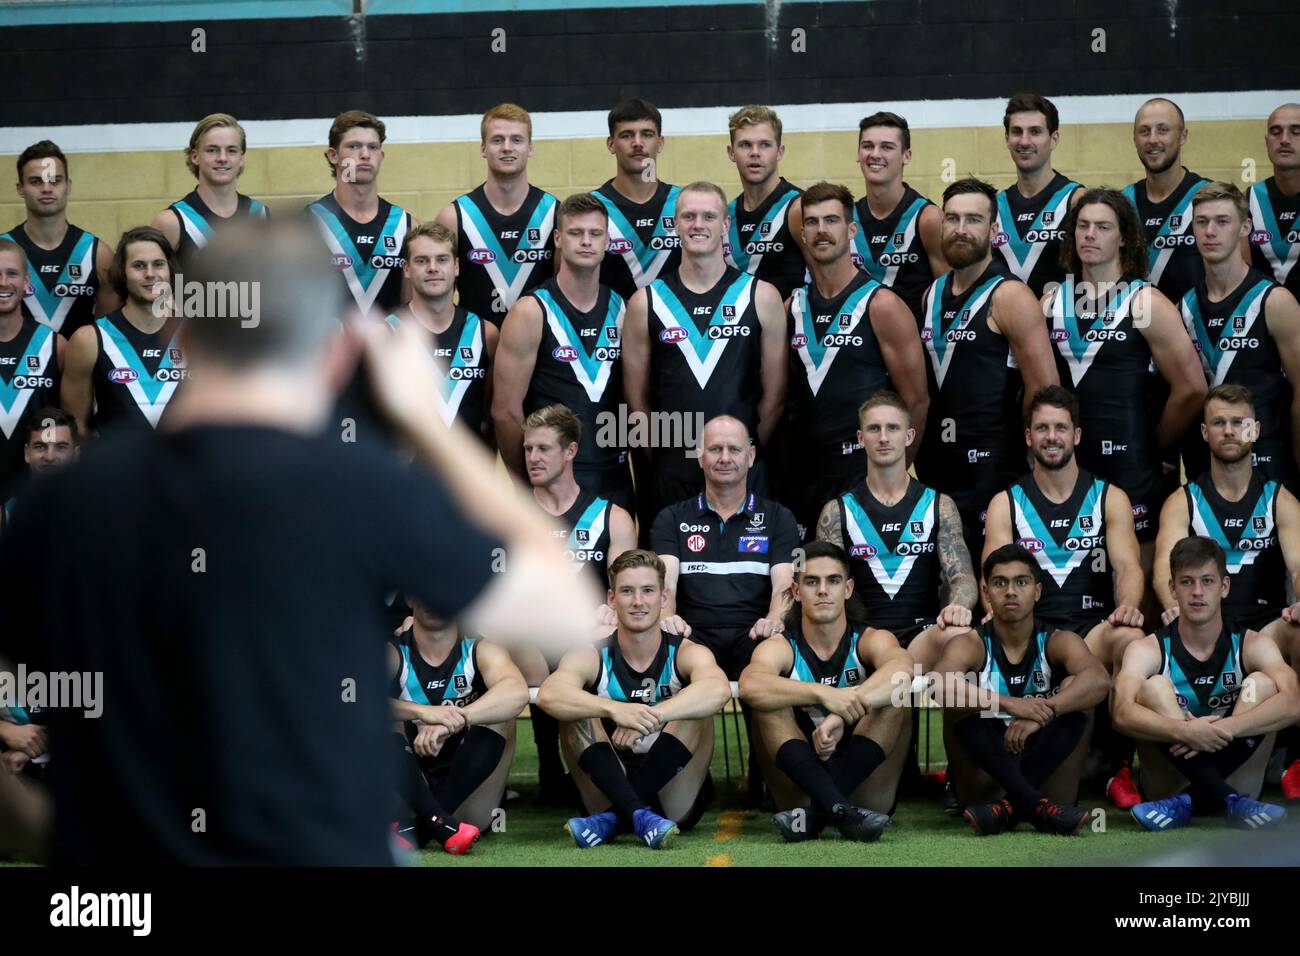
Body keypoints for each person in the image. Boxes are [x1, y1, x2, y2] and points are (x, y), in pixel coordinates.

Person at [0, 218, 601, 865]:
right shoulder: (359, 484)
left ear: (183, 339)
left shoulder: (59, 500)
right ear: (336, 354)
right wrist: (428, 426)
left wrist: (71, 841)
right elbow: (565, 611)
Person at [983, 386, 1148, 807]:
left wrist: (1127, 606)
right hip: (1030, 635)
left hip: (1090, 628)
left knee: (1129, 640)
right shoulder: (1007, 503)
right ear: (1028, 437)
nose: (1051, 436)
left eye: (1060, 427)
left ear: (1076, 435)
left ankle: (1115, 766)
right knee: (973, 649)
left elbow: (1129, 566)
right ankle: (979, 769)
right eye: (1042, 428)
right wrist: (993, 614)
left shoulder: (1109, 497)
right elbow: (992, 574)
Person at [1046, 188, 1208, 556]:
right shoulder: (1051, 301)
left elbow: (1193, 388)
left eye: (1103, 227)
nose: (1090, 234)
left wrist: (1154, 443)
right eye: (1083, 226)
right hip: (1071, 463)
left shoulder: (1145, 302)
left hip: (1132, 465)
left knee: (1139, 578)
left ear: (1124, 238)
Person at [537, 549, 731, 849]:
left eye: (648, 591)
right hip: (608, 780)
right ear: (612, 599)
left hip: (673, 792)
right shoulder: (591, 653)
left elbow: (718, 691)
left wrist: (650, 718)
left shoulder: (686, 650)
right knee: (574, 710)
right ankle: (635, 814)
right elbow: (550, 695)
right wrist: (615, 710)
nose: (638, 601)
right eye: (627, 591)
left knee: (695, 706)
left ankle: (615, 819)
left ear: (664, 598)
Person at [622, 182, 788, 523]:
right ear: (675, 224)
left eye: (709, 216)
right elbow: (636, 401)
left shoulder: (761, 296)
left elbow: (775, 396)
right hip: (671, 473)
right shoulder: (645, 302)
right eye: (689, 216)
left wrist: (742, 452)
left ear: (725, 225)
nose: (698, 224)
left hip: (742, 473)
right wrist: (668, 455)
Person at [915, 178, 1059, 562]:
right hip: (937, 466)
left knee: (991, 584)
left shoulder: (1009, 295)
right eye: (953, 219)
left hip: (992, 470)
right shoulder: (931, 293)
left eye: (974, 220)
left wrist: (1032, 458)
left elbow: (1045, 388)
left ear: (995, 230)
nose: (961, 229)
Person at [1115, 536, 1297, 831]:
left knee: (1262, 684)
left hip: (1238, 777)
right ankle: (1228, 801)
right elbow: (1120, 712)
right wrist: (1184, 731)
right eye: (1186, 582)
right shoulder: (1147, 649)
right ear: (1172, 589)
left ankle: (1199, 800)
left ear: (1224, 587)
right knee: (1154, 687)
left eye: (1207, 581)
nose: (1197, 592)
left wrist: (1225, 728)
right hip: (1167, 785)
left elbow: (1295, 701)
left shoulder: (1253, 643)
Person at [740, 540, 913, 842]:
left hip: (864, 793)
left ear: (847, 589)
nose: (822, 590)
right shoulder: (781, 646)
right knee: (767, 700)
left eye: (832, 581)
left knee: (896, 696)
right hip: (797, 790)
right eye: (811, 582)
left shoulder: (870, 639)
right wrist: (823, 694)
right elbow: (750, 684)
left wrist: (842, 714)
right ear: (796, 591)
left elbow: (904, 669)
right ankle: (839, 810)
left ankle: (823, 812)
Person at [935, 544, 1110, 835]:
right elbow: (938, 684)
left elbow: (1099, 680)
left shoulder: (1058, 639)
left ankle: (1011, 807)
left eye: (1022, 582)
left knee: (1076, 693)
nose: (1011, 591)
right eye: (1000, 583)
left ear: (1038, 591)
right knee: (958, 700)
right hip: (986, 779)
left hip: (1046, 771)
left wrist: (1047, 711)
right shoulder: (970, 643)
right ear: (986, 592)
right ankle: (1033, 804)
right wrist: (1011, 704)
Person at [786, 182, 929, 537]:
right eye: (813, 222)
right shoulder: (792, 307)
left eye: (832, 220)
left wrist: (891, 473)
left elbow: (917, 400)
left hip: (862, 477)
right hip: (803, 478)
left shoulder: (882, 305)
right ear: (802, 232)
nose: (822, 230)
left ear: (851, 230)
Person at [815, 391, 977, 671]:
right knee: (888, 661)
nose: (883, 437)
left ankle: (961, 714)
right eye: (874, 428)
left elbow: (962, 578)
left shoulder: (939, 505)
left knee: (964, 638)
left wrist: (957, 607)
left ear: (910, 436)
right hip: (864, 639)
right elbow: (825, 584)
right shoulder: (837, 511)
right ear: (860, 438)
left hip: (922, 635)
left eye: (893, 428)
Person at [493, 192, 631, 510]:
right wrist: (527, 483)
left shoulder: (623, 308)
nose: (586, 242)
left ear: (607, 240)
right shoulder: (530, 311)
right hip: (552, 486)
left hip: (615, 480)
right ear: (557, 238)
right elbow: (505, 411)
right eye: (575, 233)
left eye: (595, 234)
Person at [1182, 181, 1300, 487]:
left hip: (1267, 460)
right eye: (1202, 222)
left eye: (1222, 222)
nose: (1210, 231)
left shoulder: (1275, 302)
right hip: (1205, 461)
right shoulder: (1184, 306)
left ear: (1245, 227)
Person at [388, 598, 528, 854]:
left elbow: (517, 692)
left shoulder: (481, 648)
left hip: (469, 802)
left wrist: (454, 720)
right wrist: (425, 713)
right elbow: (355, 700)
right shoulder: (393, 651)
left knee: (501, 715)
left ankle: (424, 826)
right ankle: (439, 823)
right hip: (410, 792)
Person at [435, 104, 556, 326]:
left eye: (517, 140)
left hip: (541, 349)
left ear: (530, 148)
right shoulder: (454, 216)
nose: (507, 147)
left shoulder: (554, 213)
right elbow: (436, 298)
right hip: (475, 348)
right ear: (483, 148)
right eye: (497, 140)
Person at [60, 226, 183, 436]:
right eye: (139, 266)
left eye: (158, 264)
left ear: (170, 271)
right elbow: (77, 427)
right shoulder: (88, 339)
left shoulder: (198, 336)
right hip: (117, 467)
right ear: (122, 273)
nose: (150, 274)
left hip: (185, 467)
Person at [385, 222, 496, 441]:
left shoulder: (486, 333)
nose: (433, 267)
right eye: (421, 260)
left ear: (456, 267)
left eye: (442, 259)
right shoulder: (386, 334)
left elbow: (490, 417)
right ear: (406, 269)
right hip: (408, 471)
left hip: (465, 472)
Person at [4, 140, 116, 336]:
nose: (47, 188)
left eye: (55, 180)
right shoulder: (3, 251)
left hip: (82, 366)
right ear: (20, 188)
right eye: (36, 181)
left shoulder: (97, 254)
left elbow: (108, 335)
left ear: (68, 185)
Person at [308, 110, 413, 317]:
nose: (365, 154)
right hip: (330, 348)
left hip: (387, 347)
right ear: (333, 156)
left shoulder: (405, 225)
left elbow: (411, 307)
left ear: (381, 157)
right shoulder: (306, 223)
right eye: (353, 146)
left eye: (373, 147)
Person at [851, 112, 946, 320]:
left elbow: (947, 295)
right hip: (858, 347)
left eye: (887, 147)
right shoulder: (846, 218)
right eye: (867, 146)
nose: (875, 154)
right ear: (858, 154)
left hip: (914, 344)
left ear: (907, 155)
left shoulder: (928, 218)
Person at [994, 93, 1084, 297]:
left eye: (1035, 132)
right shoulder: (994, 206)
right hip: (1005, 327)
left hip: (1062, 326)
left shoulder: (1076, 200)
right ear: (1007, 139)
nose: (1024, 141)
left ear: (1053, 139)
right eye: (1017, 132)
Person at [151, 114, 267, 269]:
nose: (222, 158)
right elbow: (153, 289)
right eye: (212, 150)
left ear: (241, 159)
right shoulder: (172, 222)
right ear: (195, 156)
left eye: (231, 150)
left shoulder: (260, 215)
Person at [1123, 97, 1208, 306]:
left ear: (1183, 136)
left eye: (1163, 130)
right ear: (1134, 139)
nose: (1153, 139)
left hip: (1198, 331)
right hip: (1137, 330)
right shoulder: (1122, 203)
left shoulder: (1209, 198)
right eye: (1144, 131)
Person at [595, 98, 681, 302]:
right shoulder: (592, 207)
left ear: (660, 143)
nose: (638, 143)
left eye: (647, 134)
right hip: (612, 328)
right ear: (611, 144)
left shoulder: (684, 203)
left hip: (678, 329)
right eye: (627, 135)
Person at [724, 105, 808, 299]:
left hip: (790, 326)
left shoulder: (798, 208)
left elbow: (826, 279)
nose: (755, 153)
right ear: (731, 152)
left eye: (764, 145)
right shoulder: (725, 215)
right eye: (745, 145)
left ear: (779, 151)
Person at [0, 239, 62, 497]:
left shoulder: (56, 346)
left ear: (26, 283)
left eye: (11, 274)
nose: (3, 282)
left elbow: (70, 429)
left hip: (36, 496)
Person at [1248, 103, 1300, 299]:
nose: (1284, 140)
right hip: (1265, 322)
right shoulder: (1250, 199)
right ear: (1266, 141)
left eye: (1296, 132)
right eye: (1276, 132)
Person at [0, 407, 79, 534]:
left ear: (76, 455)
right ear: (27, 453)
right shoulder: (7, 514)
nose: (50, 457)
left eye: (61, 447)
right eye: (40, 447)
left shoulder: (94, 510)